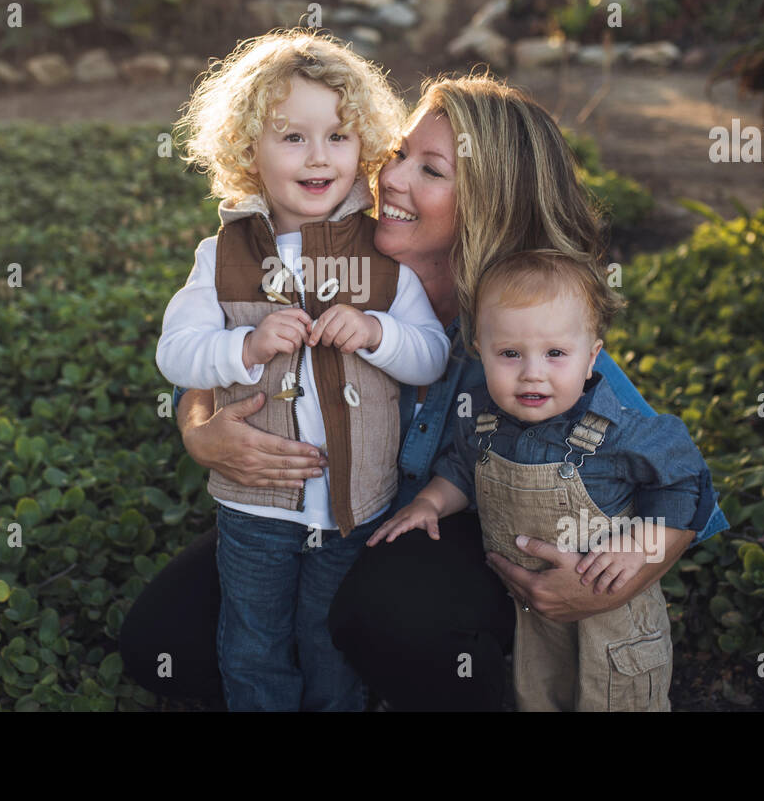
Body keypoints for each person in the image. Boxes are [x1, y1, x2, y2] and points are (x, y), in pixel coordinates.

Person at [122, 73, 729, 710]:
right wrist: (199, 430)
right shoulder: (333, 251)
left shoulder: (520, 332)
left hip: (445, 531)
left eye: (432, 171)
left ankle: (435, 672)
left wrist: (606, 583)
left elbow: (686, 488)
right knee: (162, 644)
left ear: (490, 202)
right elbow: (218, 344)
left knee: (387, 615)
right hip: (302, 509)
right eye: (398, 154)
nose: (394, 180)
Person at [156, 29, 450, 710]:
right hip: (253, 507)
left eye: (339, 137)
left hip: (357, 504)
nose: (319, 156)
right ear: (247, 149)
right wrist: (245, 349)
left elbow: (431, 354)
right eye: (292, 137)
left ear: (365, 146)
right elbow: (175, 350)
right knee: (253, 640)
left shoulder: (383, 259)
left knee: (329, 642)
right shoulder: (222, 254)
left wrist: (377, 332)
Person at [370, 249, 712, 710]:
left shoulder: (621, 432)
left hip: (615, 621)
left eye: (555, 354)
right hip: (533, 617)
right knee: (539, 696)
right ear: (481, 352)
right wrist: (430, 502)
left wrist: (644, 541)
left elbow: (686, 481)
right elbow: (461, 471)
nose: (533, 373)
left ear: (591, 357)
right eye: (510, 353)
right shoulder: (483, 421)